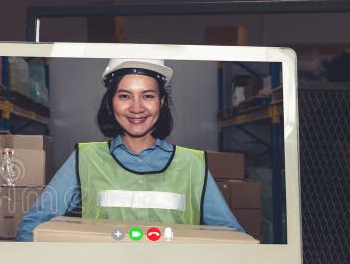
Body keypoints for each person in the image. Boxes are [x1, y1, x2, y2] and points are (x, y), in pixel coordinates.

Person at [17, 58, 243, 242]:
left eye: (148, 96)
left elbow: (232, 237)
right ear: (111, 102)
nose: (136, 108)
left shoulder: (192, 164)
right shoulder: (86, 159)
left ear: (161, 101)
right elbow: (33, 226)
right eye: (125, 96)